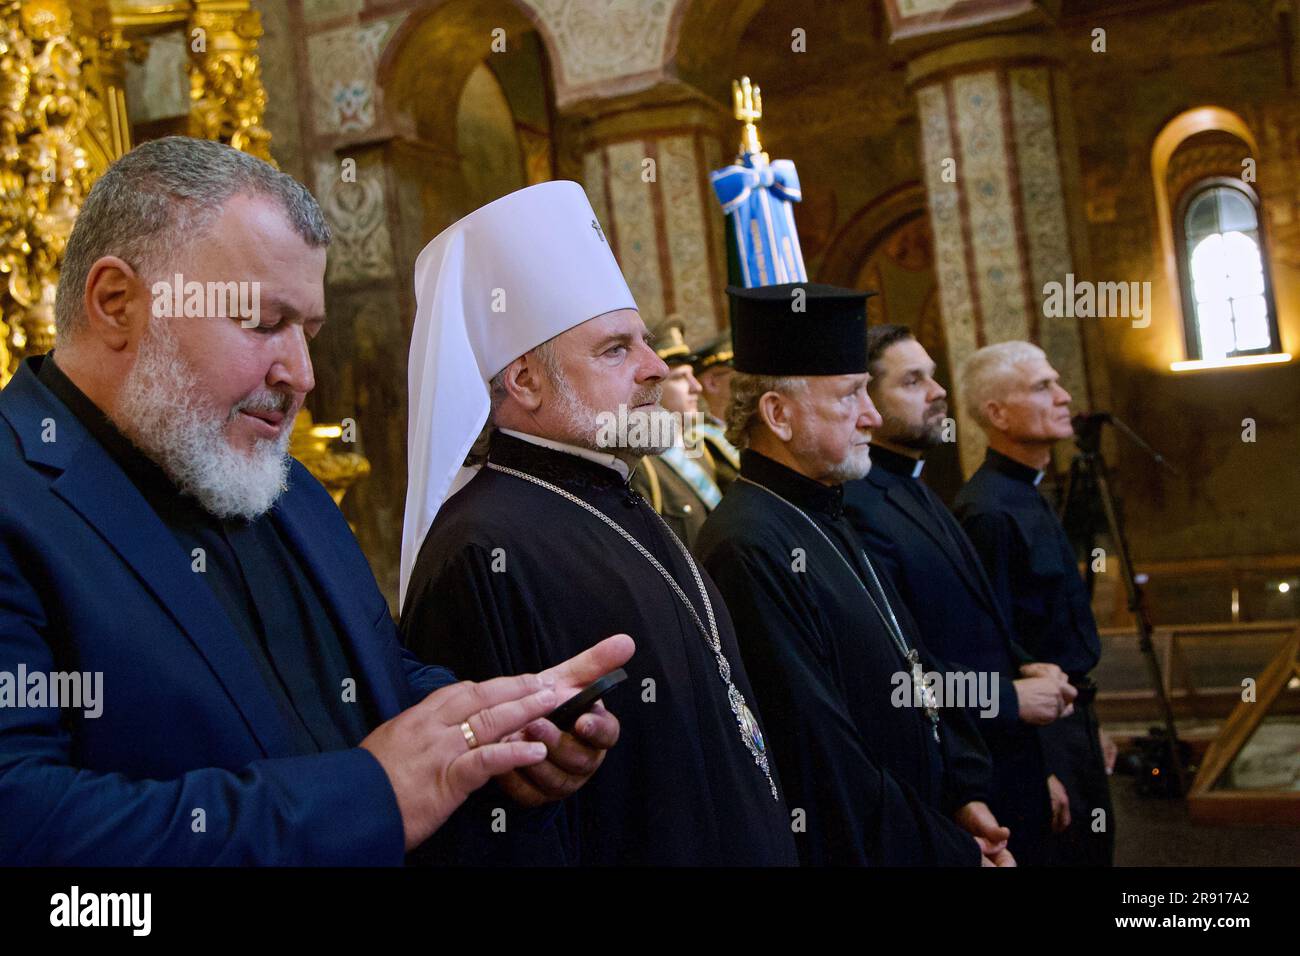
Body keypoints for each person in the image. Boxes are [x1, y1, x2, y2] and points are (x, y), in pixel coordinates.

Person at [0, 136, 630, 865]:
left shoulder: (284, 485)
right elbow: (27, 824)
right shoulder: (21, 501)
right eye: (265, 323)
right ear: (116, 304)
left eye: (310, 332)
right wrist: (370, 797)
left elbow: (365, 676)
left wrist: (485, 734)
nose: (301, 374)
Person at [397, 181, 797, 865]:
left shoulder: (624, 498)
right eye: (617, 350)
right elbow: (493, 825)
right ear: (524, 381)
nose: (655, 369)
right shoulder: (480, 548)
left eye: (644, 343)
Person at [695, 282, 1012, 866]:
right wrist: (950, 852)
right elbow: (823, 757)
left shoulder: (827, 506)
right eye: (849, 397)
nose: (871, 416)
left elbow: (909, 659)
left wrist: (963, 793)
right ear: (778, 415)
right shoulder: (748, 545)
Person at [843, 324, 1077, 865]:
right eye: (913, 381)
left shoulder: (915, 487)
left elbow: (980, 625)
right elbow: (898, 670)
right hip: (961, 776)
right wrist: (1010, 697)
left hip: (1005, 757)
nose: (938, 391)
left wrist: (1027, 669)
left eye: (934, 376)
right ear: (867, 402)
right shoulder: (861, 505)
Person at [953, 340, 1115, 866]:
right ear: (997, 413)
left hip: (1071, 725)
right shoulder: (988, 512)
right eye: (1043, 387)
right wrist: (1039, 767)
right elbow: (991, 650)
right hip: (1037, 741)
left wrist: (1091, 728)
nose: (1064, 396)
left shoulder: (1031, 493)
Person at [629, 316, 723, 547]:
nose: (696, 387)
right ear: (653, 385)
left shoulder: (700, 453)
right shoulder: (643, 465)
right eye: (681, 378)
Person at [689, 333, 740, 491]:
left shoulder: (759, 430)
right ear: (712, 383)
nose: (749, 379)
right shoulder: (700, 442)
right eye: (738, 371)